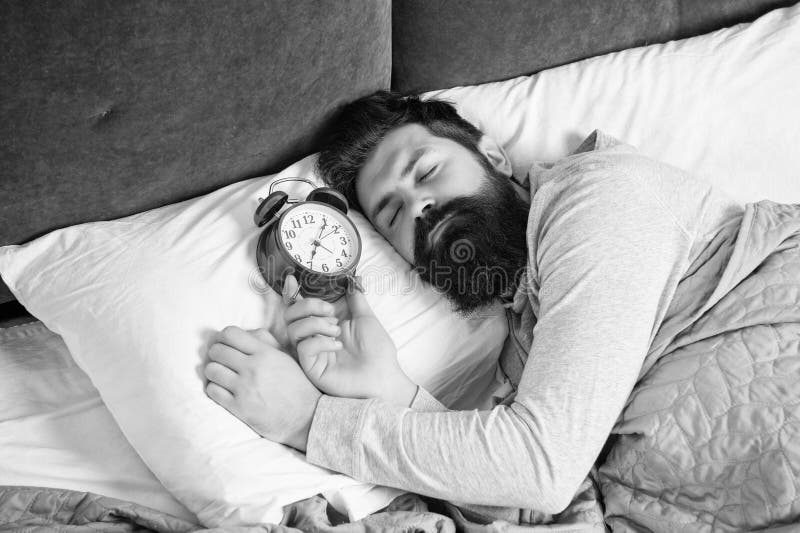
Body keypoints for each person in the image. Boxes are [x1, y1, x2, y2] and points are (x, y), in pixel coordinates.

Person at [202, 91, 800, 528]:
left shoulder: (595, 196)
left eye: (427, 171)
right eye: (392, 213)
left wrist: (310, 422)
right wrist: (391, 390)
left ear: (493, 154)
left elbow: (542, 465)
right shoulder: (521, 338)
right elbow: (530, 497)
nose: (421, 208)